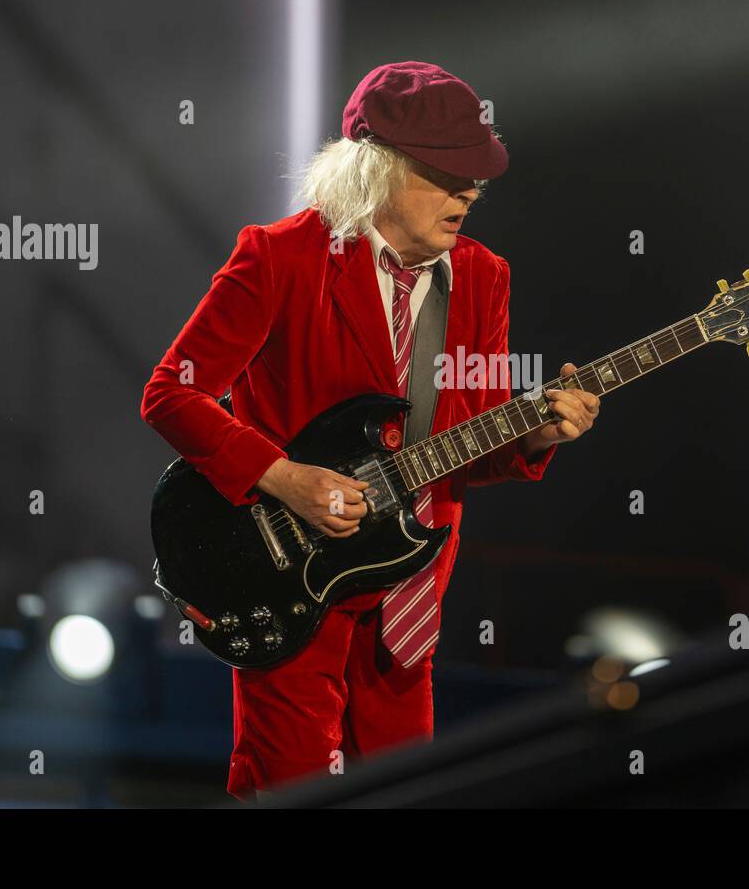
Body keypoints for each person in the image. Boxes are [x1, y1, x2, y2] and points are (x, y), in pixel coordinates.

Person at [140, 61, 599, 800]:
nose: (470, 193)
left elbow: (464, 445)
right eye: (449, 176)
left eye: (476, 178)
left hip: (408, 589)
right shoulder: (280, 257)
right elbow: (171, 394)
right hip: (285, 577)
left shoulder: (483, 278)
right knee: (287, 791)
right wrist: (287, 479)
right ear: (380, 170)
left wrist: (537, 434)